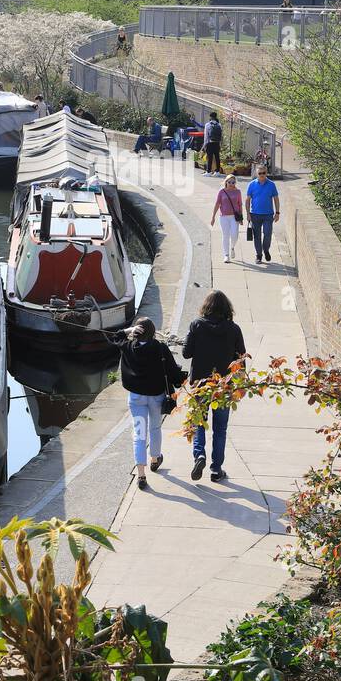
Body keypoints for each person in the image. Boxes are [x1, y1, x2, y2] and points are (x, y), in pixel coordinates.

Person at [183, 291, 246, 483]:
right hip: (223, 386)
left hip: (200, 385)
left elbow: (186, 353)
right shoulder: (234, 329)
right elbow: (240, 361)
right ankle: (216, 469)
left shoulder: (196, 325)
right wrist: (239, 386)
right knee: (220, 428)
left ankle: (199, 455)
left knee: (198, 422)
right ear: (227, 308)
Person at [116, 317, 185, 489]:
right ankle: (155, 459)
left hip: (136, 397)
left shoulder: (129, 347)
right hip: (156, 396)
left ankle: (141, 474)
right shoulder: (161, 349)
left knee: (139, 434)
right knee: (155, 429)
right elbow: (173, 372)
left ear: (136, 332)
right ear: (153, 332)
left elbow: (115, 337)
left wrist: (128, 330)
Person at [246, 165, 280, 263]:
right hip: (255, 214)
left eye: (263, 173)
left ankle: (266, 250)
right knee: (257, 236)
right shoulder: (251, 185)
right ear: (256, 173)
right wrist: (248, 213)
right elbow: (247, 200)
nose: (262, 175)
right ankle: (259, 255)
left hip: (268, 215)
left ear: (266, 173)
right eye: (259, 173)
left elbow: (276, 199)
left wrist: (277, 213)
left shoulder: (271, 185)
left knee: (267, 234)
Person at [211, 175, 243, 262]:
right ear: (226, 182)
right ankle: (226, 255)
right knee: (225, 236)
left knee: (234, 235)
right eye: (229, 182)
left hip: (234, 217)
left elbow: (240, 205)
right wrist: (213, 216)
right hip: (223, 217)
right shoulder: (222, 191)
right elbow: (217, 204)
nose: (231, 184)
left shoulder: (238, 192)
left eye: (233, 182)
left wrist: (241, 217)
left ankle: (232, 247)